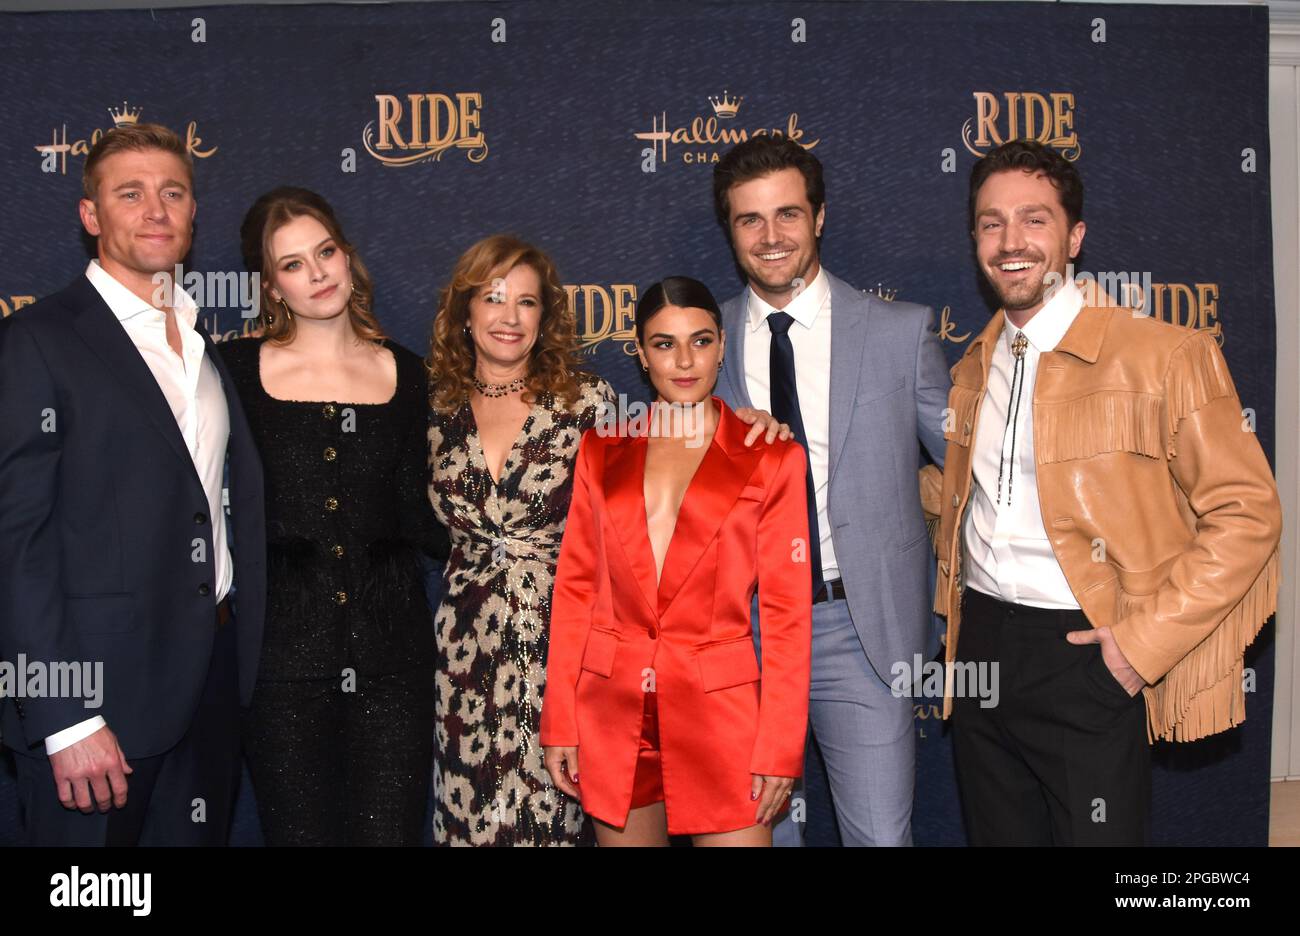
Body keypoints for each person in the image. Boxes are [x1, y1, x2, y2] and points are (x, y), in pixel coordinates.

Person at [927, 139, 1282, 845]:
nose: (1011, 241)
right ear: (975, 240)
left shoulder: (1165, 356)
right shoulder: (975, 362)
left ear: (1075, 236)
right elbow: (961, 496)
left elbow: (1248, 513)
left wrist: (1141, 645)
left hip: (1088, 648)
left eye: (1035, 219)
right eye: (991, 223)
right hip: (981, 647)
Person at [427, 237, 787, 846]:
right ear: (464, 310)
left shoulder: (587, 408)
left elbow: (781, 608)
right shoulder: (433, 405)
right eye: (492, 299)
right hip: (477, 655)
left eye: (527, 302)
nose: (509, 316)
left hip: (572, 663)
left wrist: (753, 417)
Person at [0, 123, 265, 845]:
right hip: (97, 701)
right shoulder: (39, 341)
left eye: (173, 192)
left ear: (192, 212)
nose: (156, 209)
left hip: (207, 687)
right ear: (92, 217)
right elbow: (14, 542)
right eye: (131, 193)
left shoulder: (205, 348)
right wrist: (64, 715)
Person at [710, 135, 951, 846]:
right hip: (742, 632)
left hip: (863, 627)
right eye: (749, 219)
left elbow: (968, 476)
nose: (771, 235)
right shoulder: (703, 341)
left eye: (787, 213)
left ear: (820, 217)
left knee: (879, 837)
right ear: (729, 230)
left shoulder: (899, 334)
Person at [541, 276, 811, 845]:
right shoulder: (602, 449)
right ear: (640, 354)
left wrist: (780, 746)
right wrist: (560, 718)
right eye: (664, 344)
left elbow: (787, 615)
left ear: (722, 345)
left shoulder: (771, 457)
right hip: (612, 710)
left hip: (720, 713)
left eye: (701, 340)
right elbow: (575, 591)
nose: (685, 360)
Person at [218, 187, 449, 845]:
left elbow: (423, 511)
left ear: (348, 257)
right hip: (278, 671)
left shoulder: (407, 374)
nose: (317, 273)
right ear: (270, 286)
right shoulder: (232, 373)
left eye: (325, 252)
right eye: (292, 264)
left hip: (393, 666)